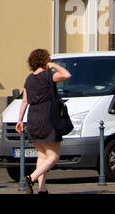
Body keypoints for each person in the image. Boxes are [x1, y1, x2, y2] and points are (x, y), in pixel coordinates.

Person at [13, 48, 71, 194]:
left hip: (33, 117)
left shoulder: (29, 78)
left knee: (42, 156)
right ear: (45, 60)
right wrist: (54, 65)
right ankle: (30, 178)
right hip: (48, 117)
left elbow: (25, 100)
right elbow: (67, 75)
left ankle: (42, 189)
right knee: (54, 156)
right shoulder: (48, 75)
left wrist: (19, 120)